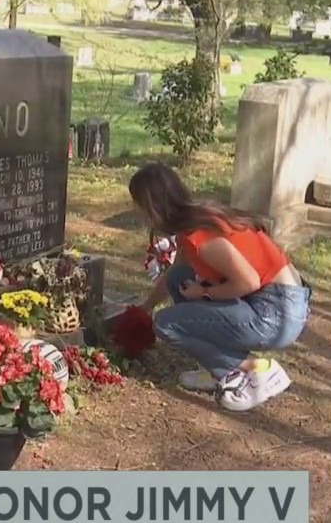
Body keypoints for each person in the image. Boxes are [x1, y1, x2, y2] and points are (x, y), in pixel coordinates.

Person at [128, 162, 311, 411]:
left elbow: (248, 281)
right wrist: (146, 307)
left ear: (152, 207)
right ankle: (216, 369)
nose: (137, 212)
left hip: (277, 314)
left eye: (138, 205)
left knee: (166, 323)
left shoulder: (202, 236)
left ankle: (256, 370)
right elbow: (174, 272)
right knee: (179, 278)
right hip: (275, 302)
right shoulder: (195, 221)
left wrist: (203, 292)